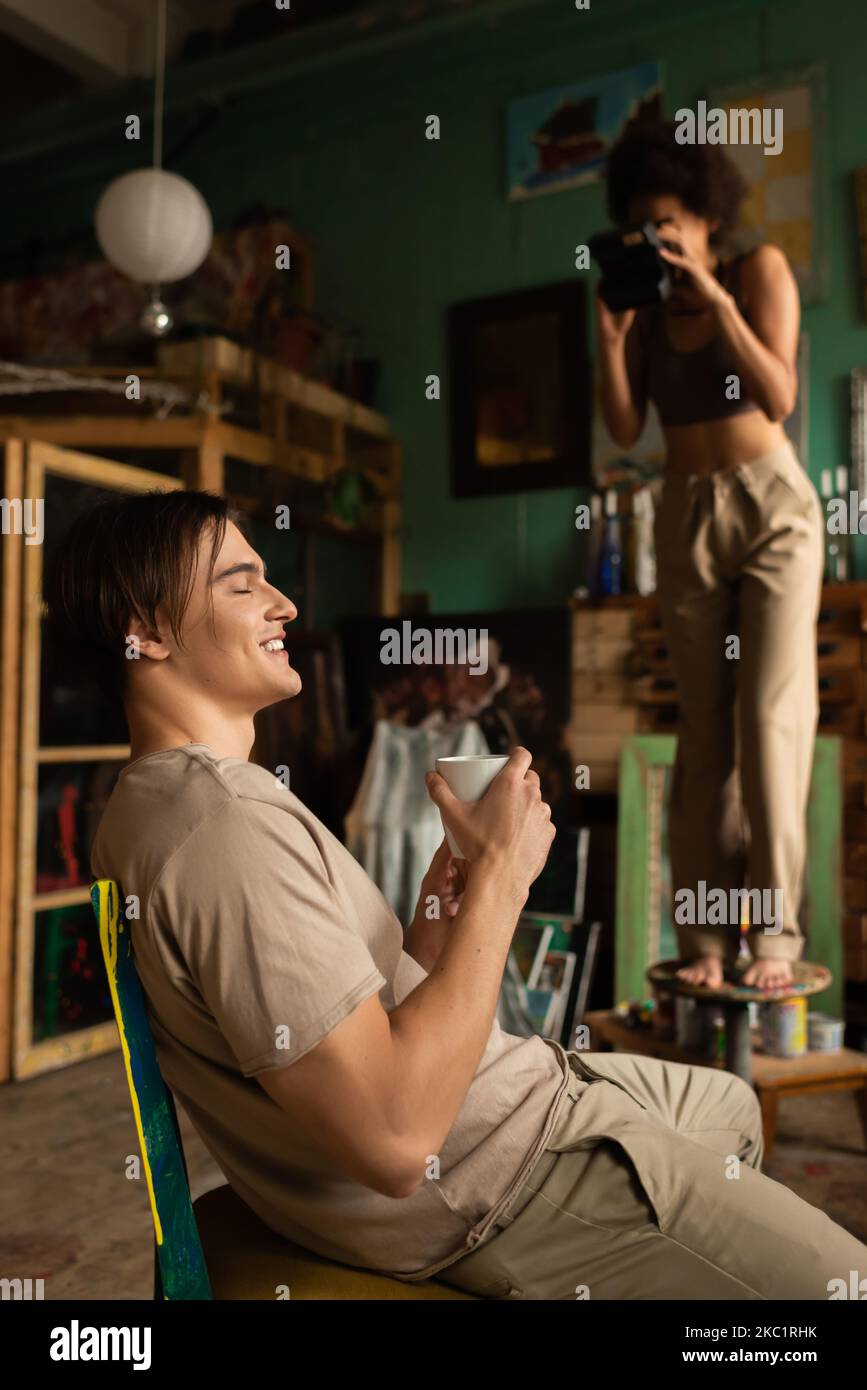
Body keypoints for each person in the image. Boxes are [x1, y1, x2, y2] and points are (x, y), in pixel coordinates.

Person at [46, 491, 865, 1298]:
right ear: (145, 631)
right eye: (241, 584)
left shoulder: (154, 803)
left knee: (726, 1099)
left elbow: (335, 1016)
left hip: (507, 1101)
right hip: (502, 1176)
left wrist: (447, 905)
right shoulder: (223, 828)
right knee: (843, 1285)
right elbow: (397, 1139)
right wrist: (503, 885)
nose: (285, 604)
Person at [596, 119, 824, 992]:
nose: (655, 241)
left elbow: (779, 392)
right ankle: (703, 940)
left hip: (770, 507)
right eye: (640, 227)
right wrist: (612, 340)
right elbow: (622, 427)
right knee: (702, 737)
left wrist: (716, 300)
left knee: (770, 718)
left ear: (705, 217)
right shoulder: (643, 314)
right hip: (683, 512)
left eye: (669, 225)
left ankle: (771, 936)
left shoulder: (753, 271)